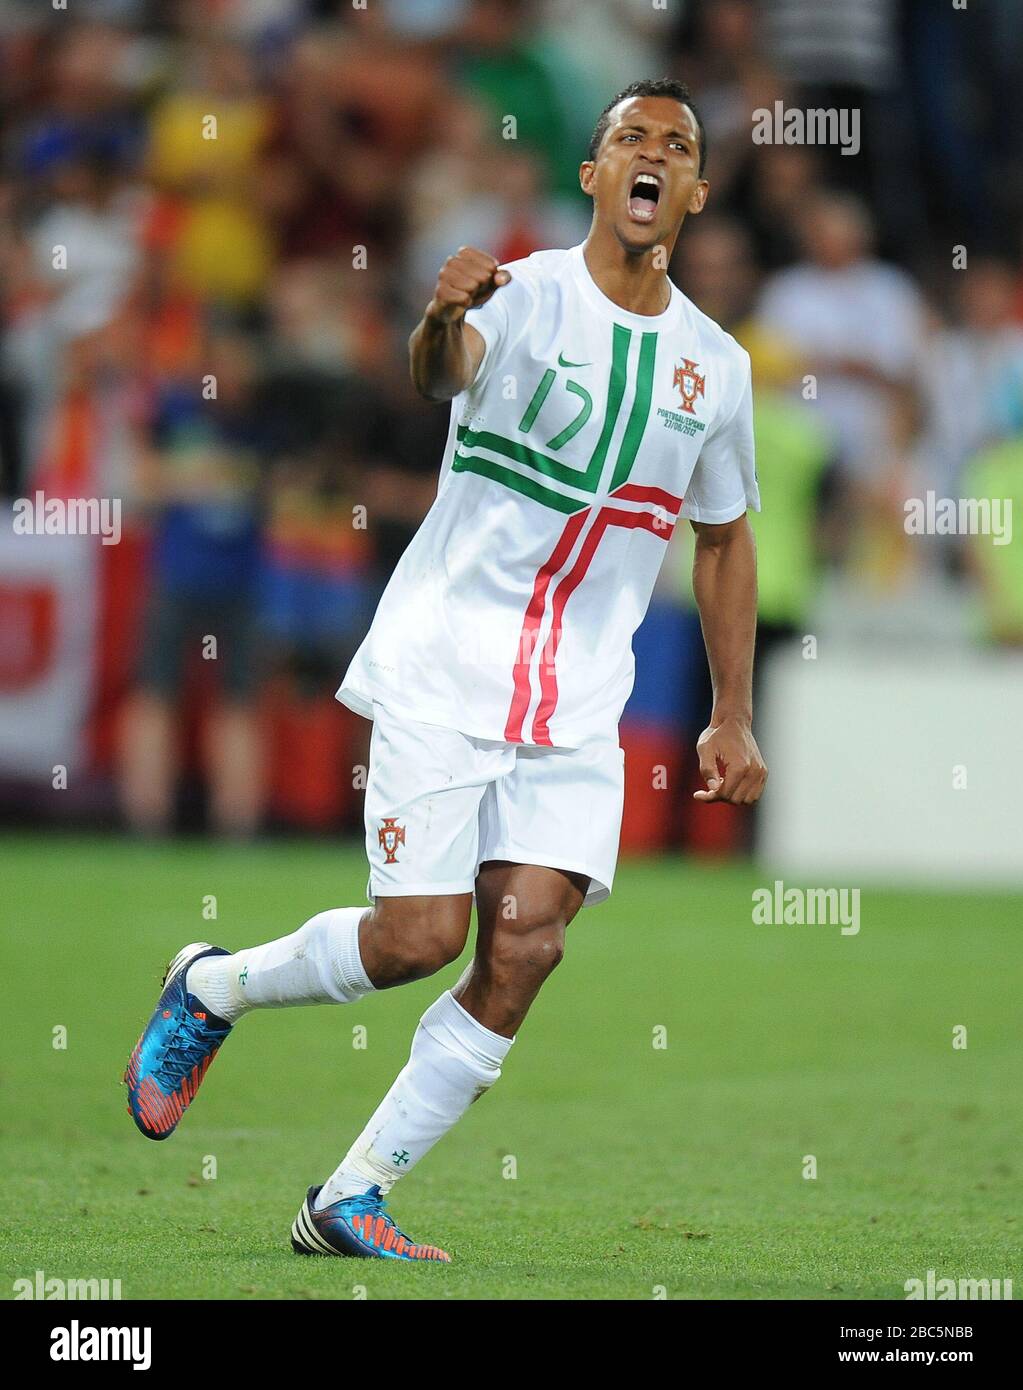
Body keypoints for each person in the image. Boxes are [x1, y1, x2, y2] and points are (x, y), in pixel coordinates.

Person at [123, 78, 767, 1263]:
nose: (653, 153)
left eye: (676, 145)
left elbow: (724, 538)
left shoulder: (716, 369)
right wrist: (439, 315)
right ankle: (214, 986)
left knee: (526, 947)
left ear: (695, 190)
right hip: (447, 658)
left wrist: (732, 709)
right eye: (631, 135)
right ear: (593, 173)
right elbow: (439, 373)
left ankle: (350, 1196)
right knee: (415, 939)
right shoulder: (518, 293)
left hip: (578, 699)